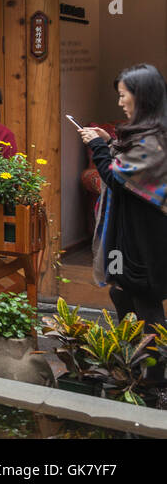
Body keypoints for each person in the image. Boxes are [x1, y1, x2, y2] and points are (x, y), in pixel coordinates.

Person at [80, 63, 167, 325]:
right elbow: (124, 167)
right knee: (119, 288)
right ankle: (129, 357)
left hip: (146, 235)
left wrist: (97, 145)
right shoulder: (143, 133)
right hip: (124, 230)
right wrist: (108, 141)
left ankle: (152, 365)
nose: (119, 102)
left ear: (140, 97)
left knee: (145, 299)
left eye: (122, 95)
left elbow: (116, 177)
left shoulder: (153, 140)